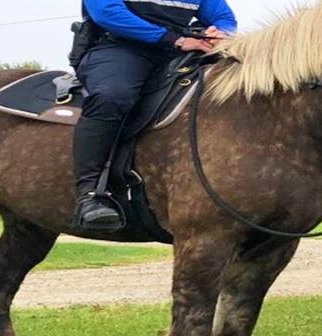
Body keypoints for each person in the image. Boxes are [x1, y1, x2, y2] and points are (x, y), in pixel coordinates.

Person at [71, 0, 237, 231]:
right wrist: (175, 40)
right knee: (113, 96)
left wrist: (220, 32)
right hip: (119, 48)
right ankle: (89, 194)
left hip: (182, 52)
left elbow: (223, 17)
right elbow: (107, 13)